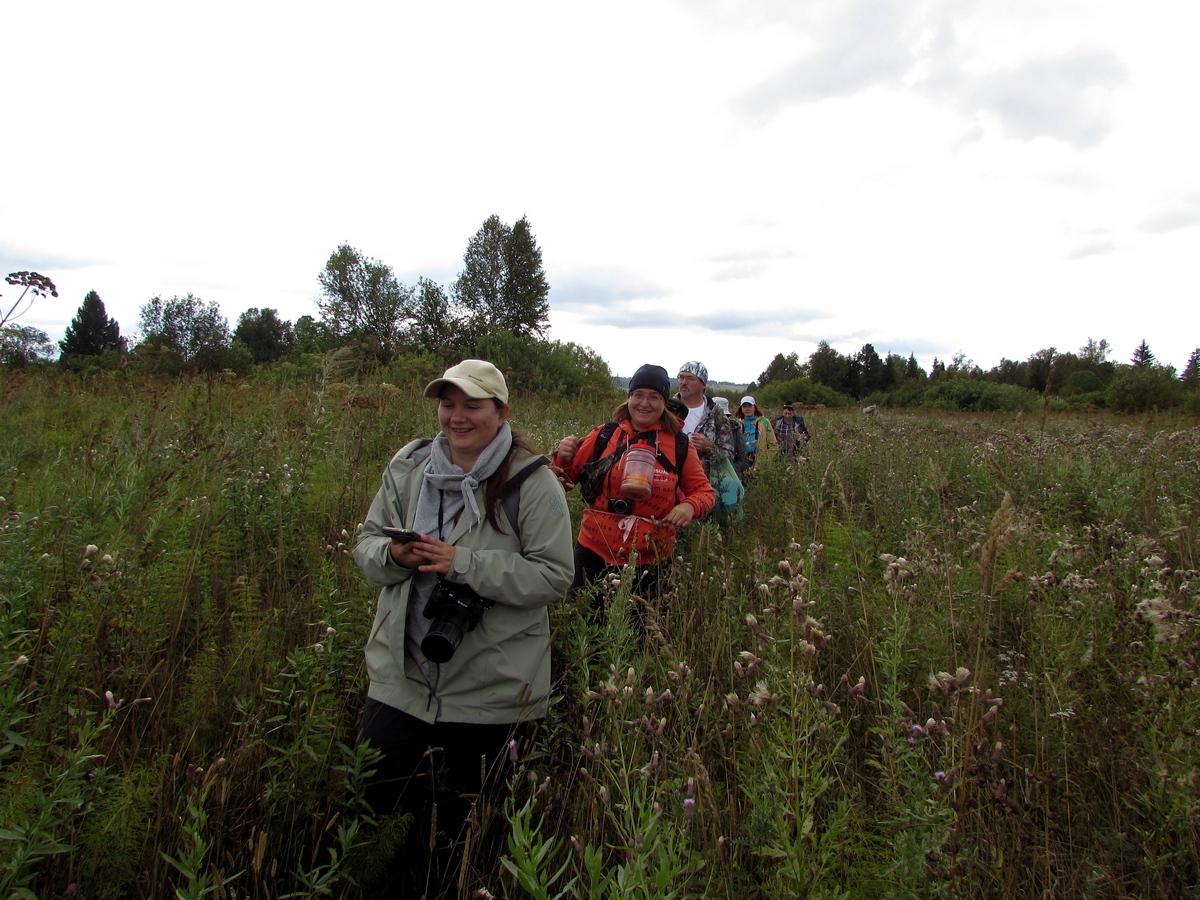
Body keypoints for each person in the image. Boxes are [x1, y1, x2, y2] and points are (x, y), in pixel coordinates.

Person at [352, 359, 574, 898]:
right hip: (401, 676)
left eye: (472, 405)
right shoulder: (408, 468)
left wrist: (463, 563)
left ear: (501, 412)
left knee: (465, 832)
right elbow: (367, 547)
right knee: (374, 808)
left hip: (489, 689)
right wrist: (395, 555)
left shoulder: (532, 482)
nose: (457, 417)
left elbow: (554, 576)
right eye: (448, 404)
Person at [552, 363, 714, 603]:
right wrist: (563, 460)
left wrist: (689, 506)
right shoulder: (604, 435)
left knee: (640, 626)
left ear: (664, 402)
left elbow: (705, 492)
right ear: (629, 398)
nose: (644, 403)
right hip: (593, 552)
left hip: (651, 559)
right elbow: (561, 485)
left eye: (654, 397)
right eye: (638, 395)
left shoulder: (679, 444)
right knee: (584, 620)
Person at [673, 361, 744, 478]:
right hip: (669, 481)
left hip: (703, 482)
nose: (684, 382)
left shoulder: (716, 414)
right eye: (681, 377)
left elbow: (729, 457)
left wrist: (709, 448)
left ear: (703, 384)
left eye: (690, 378)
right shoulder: (667, 409)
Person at [735, 395, 777, 468]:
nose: (747, 408)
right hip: (742, 464)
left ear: (755, 407)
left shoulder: (764, 422)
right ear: (741, 409)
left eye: (749, 406)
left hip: (760, 464)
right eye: (744, 406)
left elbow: (773, 445)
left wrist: (766, 461)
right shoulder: (737, 424)